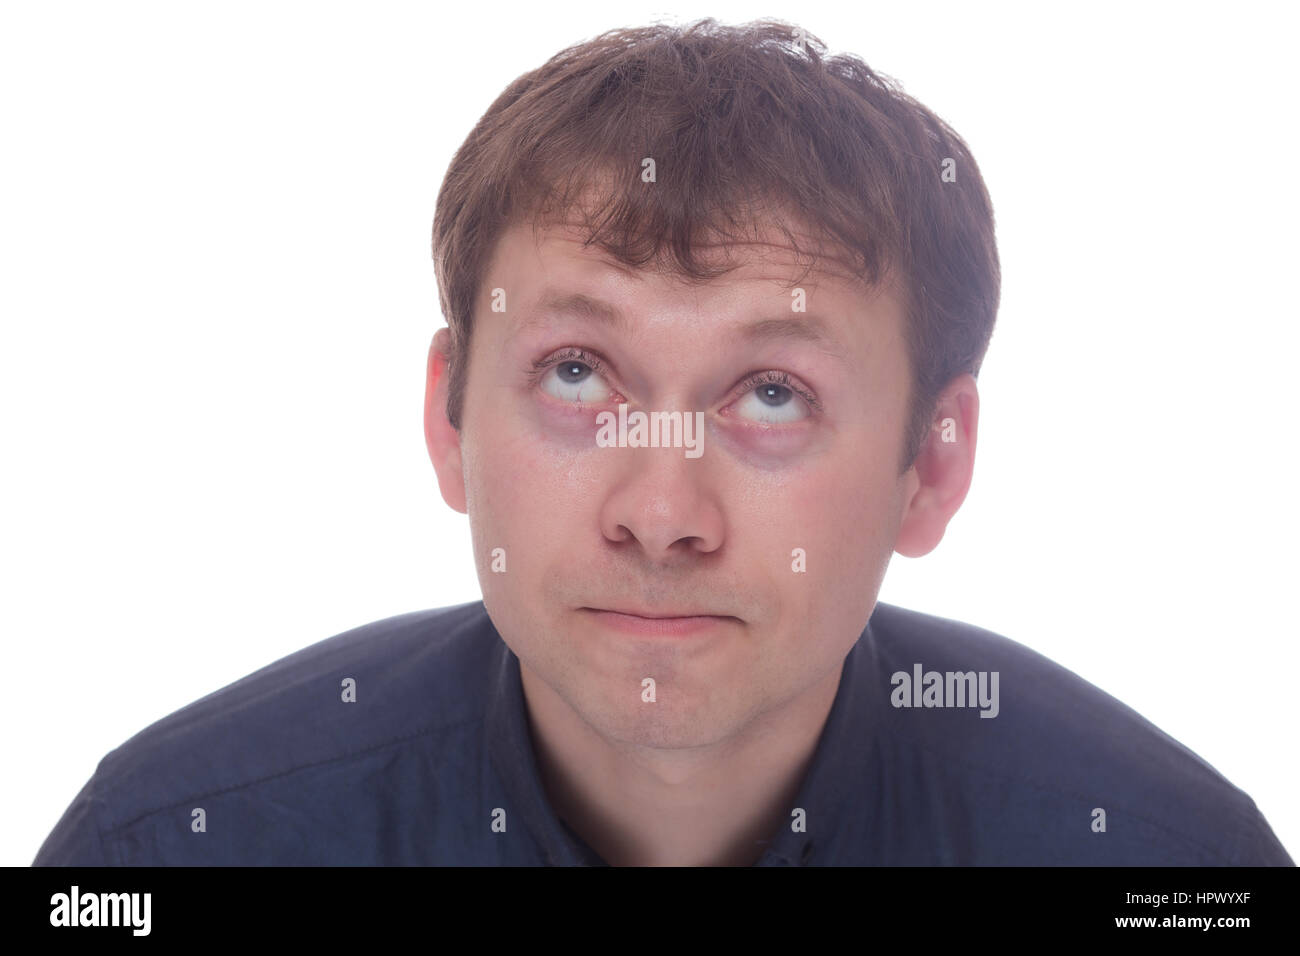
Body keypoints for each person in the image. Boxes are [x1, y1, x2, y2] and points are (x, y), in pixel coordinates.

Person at [34, 17, 1292, 867]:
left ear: (935, 461)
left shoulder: (1164, 863)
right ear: (451, 419)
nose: (659, 509)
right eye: (576, 372)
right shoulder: (170, 850)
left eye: (771, 395)